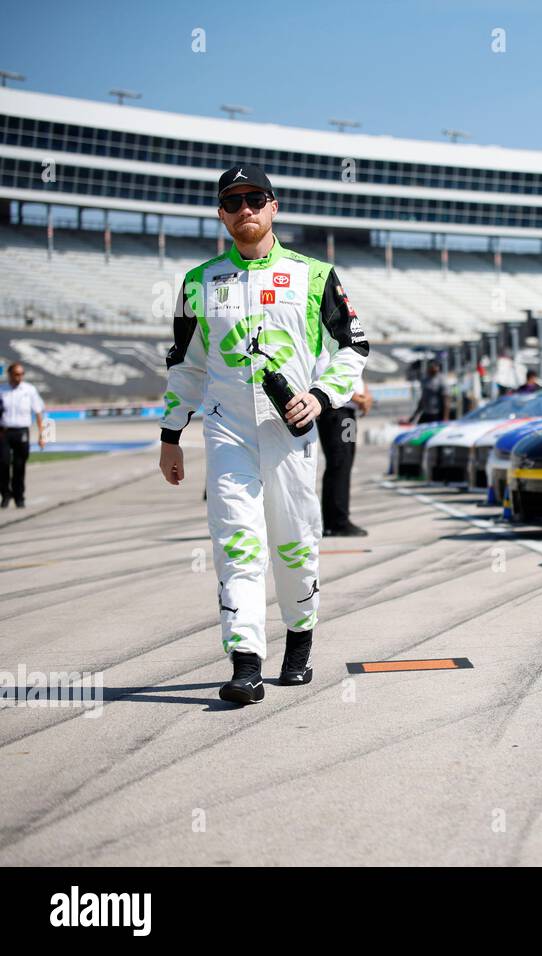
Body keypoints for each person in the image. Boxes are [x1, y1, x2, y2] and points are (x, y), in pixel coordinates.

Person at [158, 163, 368, 706]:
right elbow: (185, 365)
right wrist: (171, 433)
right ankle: (245, 662)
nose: (245, 209)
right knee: (236, 543)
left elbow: (353, 349)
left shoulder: (316, 275)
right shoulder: (198, 282)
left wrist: (320, 397)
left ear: (274, 206)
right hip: (228, 430)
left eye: (256, 199)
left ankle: (299, 642)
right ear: (221, 214)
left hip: (290, 433)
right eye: (233, 201)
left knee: (295, 541)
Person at [319, 365, 371, 538]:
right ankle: (336, 523)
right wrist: (358, 398)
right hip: (336, 411)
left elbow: (358, 376)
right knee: (338, 462)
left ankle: (339, 519)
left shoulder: (349, 347)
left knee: (345, 461)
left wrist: (366, 396)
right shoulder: (328, 346)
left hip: (347, 414)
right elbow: (326, 378)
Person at [0, 362, 46, 509]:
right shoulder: (2, 390)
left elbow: (39, 412)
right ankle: (6, 494)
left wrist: (43, 435)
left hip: (22, 432)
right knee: (3, 464)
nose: (19, 377)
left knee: (19, 466)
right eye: (16, 374)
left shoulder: (29, 390)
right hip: (4, 432)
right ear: (10, 374)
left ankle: (19, 497)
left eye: (22, 374)